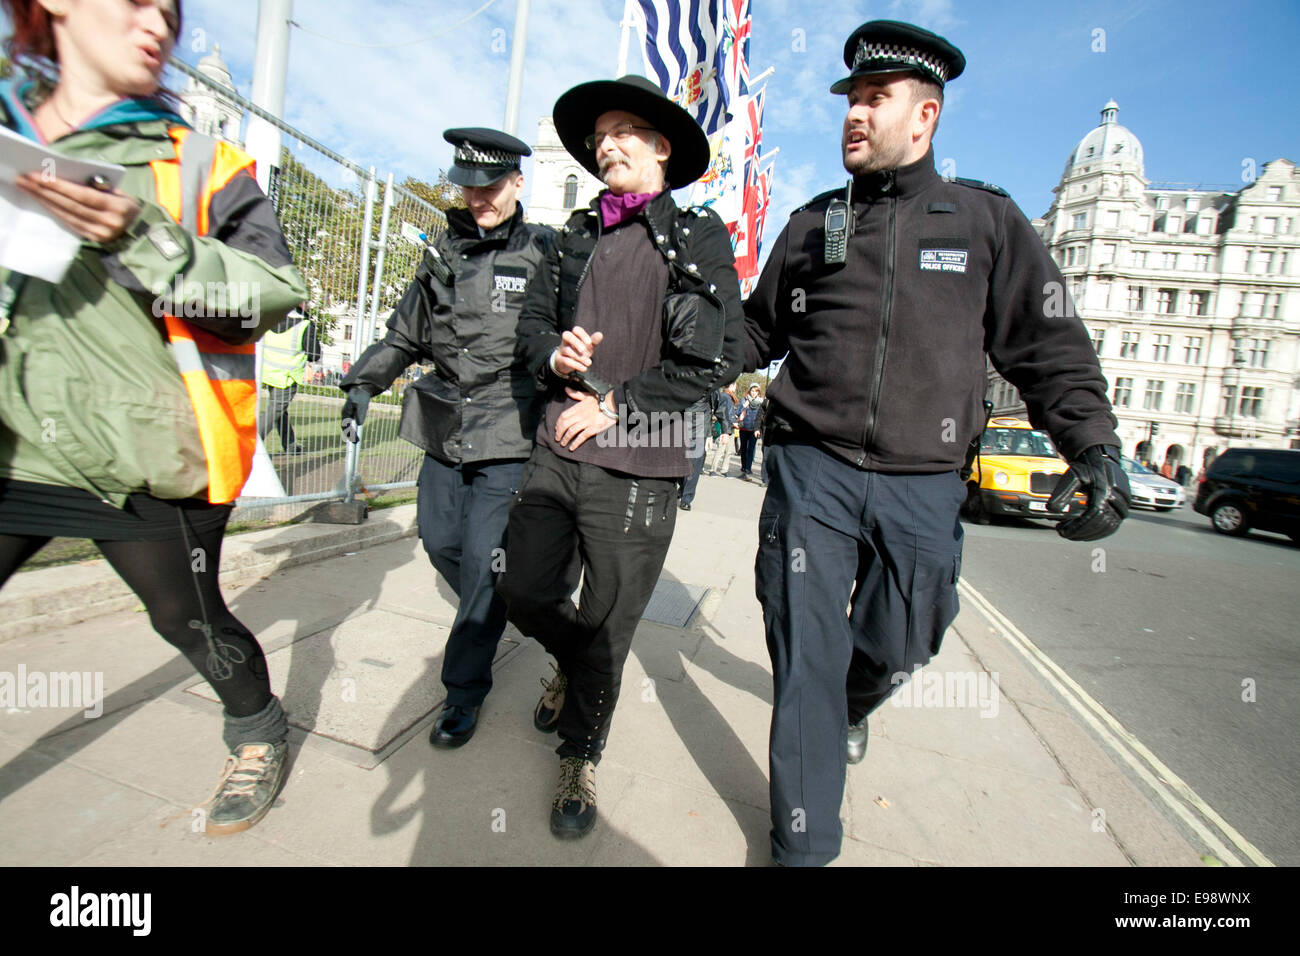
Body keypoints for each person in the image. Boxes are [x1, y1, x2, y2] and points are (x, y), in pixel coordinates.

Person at [742, 20, 1131, 866]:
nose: (854, 115)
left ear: (925, 118)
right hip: (812, 469)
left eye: (875, 99)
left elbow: (1048, 343)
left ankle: (857, 701)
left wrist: (1093, 445)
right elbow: (750, 334)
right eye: (850, 99)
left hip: (924, 481)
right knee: (805, 658)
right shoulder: (812, 226)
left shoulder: (985, 221)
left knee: (904, 639)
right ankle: (803, 846)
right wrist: (667, 361)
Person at [0, 0, 308, 835]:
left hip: (144, 451)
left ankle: (257, 728)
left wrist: (145, 236)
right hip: (14, 440)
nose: (158, 24)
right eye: (136, 1)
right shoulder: (10, 128)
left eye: (170, 12)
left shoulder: (203, 161)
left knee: (187, 616)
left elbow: (269, 294)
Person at [497, 75, 744, 838]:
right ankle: (575, 670)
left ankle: (581, 750)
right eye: (600, 134)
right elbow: (531, 327)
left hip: (644, 458)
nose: (608, 144)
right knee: (525, 592)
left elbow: (717, 357)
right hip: (559, 445)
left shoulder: (696, 234)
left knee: (610, 621)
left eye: (626, 129)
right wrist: (557, 358)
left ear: (662, 146)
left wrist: (614, 404)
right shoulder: (573, 233)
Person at [338, 128, 554, 749]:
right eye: (468, 185)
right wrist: (362, 383)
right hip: (445, 426)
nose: (478, 197)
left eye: (491, 186)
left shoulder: (546, 251)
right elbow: (405, 334)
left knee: (486, 563)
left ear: (517, 182)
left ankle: (463, 691)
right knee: (440, 545)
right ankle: (495, 610)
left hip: (509, 429)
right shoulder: (442, 252)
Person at [259, 305, 320, 454]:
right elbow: (314, 355)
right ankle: (251, 441)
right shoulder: (304, 325)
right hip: (288, 376)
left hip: (269, 373)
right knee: (275, 410)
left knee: (279, 410)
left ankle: (290, 445)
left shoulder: (269, 319)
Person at [705, 381, 738, 476]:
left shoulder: (728, 396)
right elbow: (724, 413)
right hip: (726, 426)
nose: (736, 387)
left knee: (728, 450)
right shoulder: (726, 397)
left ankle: (722, 469)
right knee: (722, 449)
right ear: (732, 385)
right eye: (735, 385)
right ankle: (714, 469)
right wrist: (733, 422)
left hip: (729, 425)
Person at [735, 383, 763, 481]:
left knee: (751, 449)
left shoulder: (761, 402)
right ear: (749, 391)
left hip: (754, 429)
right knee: (743, 449)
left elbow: (761, 417)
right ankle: (743, 469)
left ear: (758, 392)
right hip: (744, 428)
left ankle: (748, 470)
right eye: (752, 390)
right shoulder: (744, 400)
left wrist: (758, 428)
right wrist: (744, 405)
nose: (753, 393)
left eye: (756, 391)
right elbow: (737, 412)